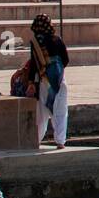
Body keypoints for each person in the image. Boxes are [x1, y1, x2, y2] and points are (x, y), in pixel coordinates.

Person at [25, 14, 69, 149]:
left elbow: (33, 64)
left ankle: (37, 140)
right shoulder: (57, 40)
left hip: (43, 81)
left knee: (42, 111)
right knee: (60, 111)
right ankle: (60, 142)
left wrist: (31, 82)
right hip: (59, 81)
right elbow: (66, 59)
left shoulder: (36, 43)